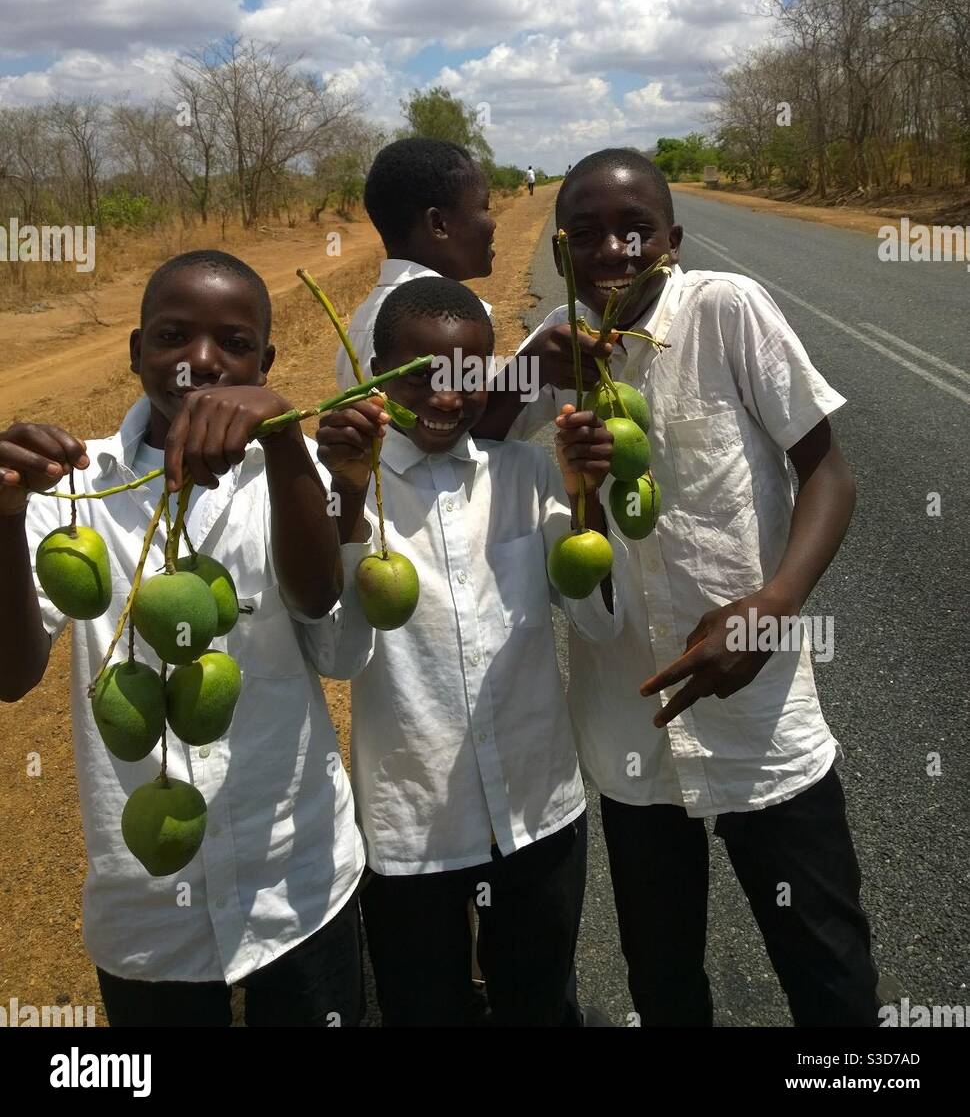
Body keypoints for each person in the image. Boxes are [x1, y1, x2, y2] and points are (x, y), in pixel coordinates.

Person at [476, 149, 879, 1028]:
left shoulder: (726, 311)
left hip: (759, 708)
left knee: (825, 955)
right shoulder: (563, 345)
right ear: (559, 250)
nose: (613, 251)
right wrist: (530, 369)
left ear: (674, 241)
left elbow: (828, 473)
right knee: (662, 969)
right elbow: (474, 437)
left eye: (635, 231)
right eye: (585, 235)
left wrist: (772, 611)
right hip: (630, 720)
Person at [0, 249, 371, 1027]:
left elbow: (329, 631)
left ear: (266, 364)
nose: (201, 362)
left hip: (296, 882)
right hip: (149, 919)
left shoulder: (281, 477)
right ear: (136, 352)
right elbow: (11, 673)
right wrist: (3, 518)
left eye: (235, 344)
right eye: (173, 336)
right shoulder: (77, 490)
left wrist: (283, 443)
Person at [317, 276, 624, 1027]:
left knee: (540, 1001)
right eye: (419, 375)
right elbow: (337, 652)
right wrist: (347, 500)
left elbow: (598, 621)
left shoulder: (525, 476)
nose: (446, 399)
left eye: (468, 376)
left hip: (537, 811)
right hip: (413, 828)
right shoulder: (344, 492)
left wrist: (588, 499)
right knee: (424, 1008)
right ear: (373, 373)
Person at [335, 138, 496, 391]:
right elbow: (462, 428)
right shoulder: (446, 321)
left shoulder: (362, 320)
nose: (493, 223)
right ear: (439, 224)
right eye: (485, 207)